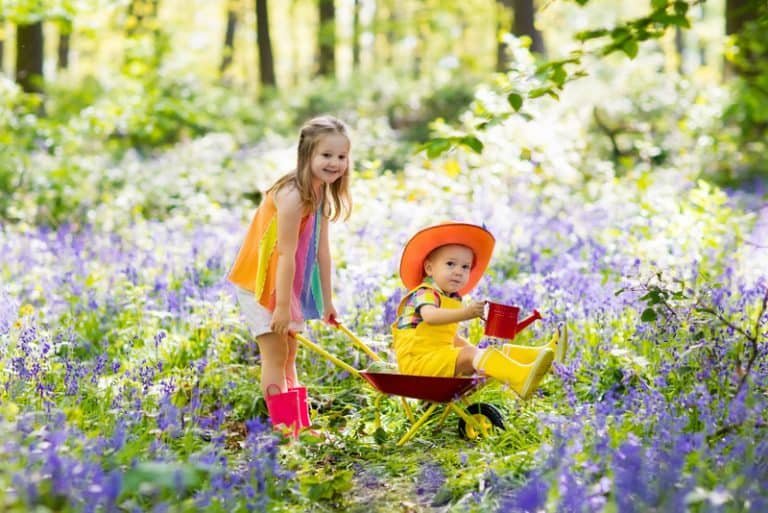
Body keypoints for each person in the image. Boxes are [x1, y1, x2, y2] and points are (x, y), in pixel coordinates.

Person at [228, 115, 352, 436]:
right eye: (326, 155)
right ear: (307, 155)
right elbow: (283, 254)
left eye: (341, 156)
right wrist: (282, 307)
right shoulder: (293, 196)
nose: (335, 163)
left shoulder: (320, 192)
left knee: (290, 354)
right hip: (260, 284)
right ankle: (285, 430)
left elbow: (321, 251)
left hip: (285, 285)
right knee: (275, 354)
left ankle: (297, 426)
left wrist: (326, 301)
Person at [392, 222, 565, 400]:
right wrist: (466, 314)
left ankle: (546, 359)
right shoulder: (425, 293)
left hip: (435, 358)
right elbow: (430, 317)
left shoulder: (452, 299)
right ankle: (519, 378)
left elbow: (448, 337)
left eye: (465, 267)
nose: (458, 271)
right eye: (450, 264)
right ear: (429, 268)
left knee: (488, 353)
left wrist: (478, 351)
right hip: (417, 364)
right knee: (471, 355)